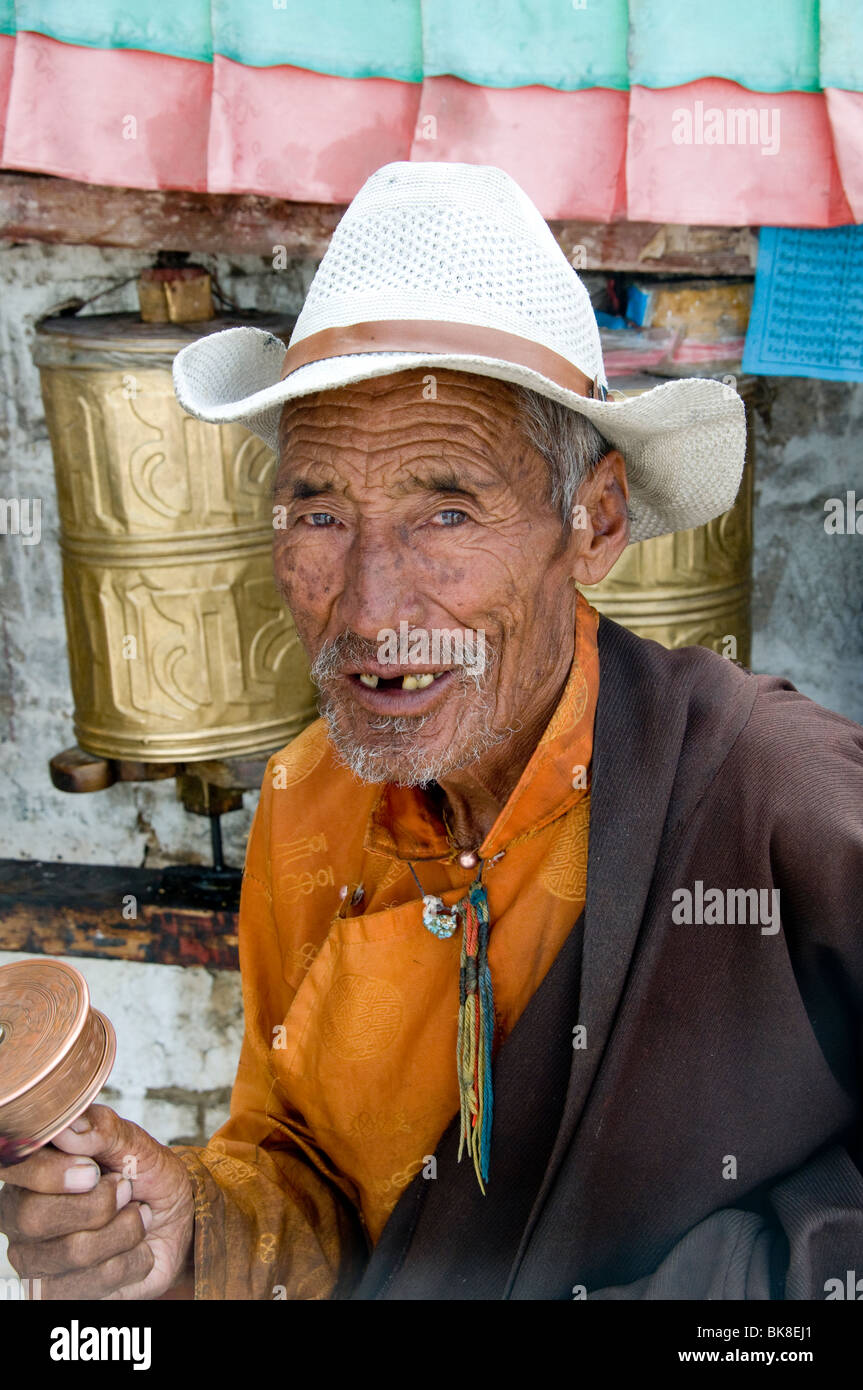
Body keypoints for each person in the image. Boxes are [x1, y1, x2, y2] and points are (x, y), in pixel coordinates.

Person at [2, 163, 861, 1301]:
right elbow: (307, 1169)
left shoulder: (770, 795)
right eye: (318, 511)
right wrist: (194, 1233)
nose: (366, 608)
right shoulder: (311, 802)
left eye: (445, 511)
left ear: (591, 523)